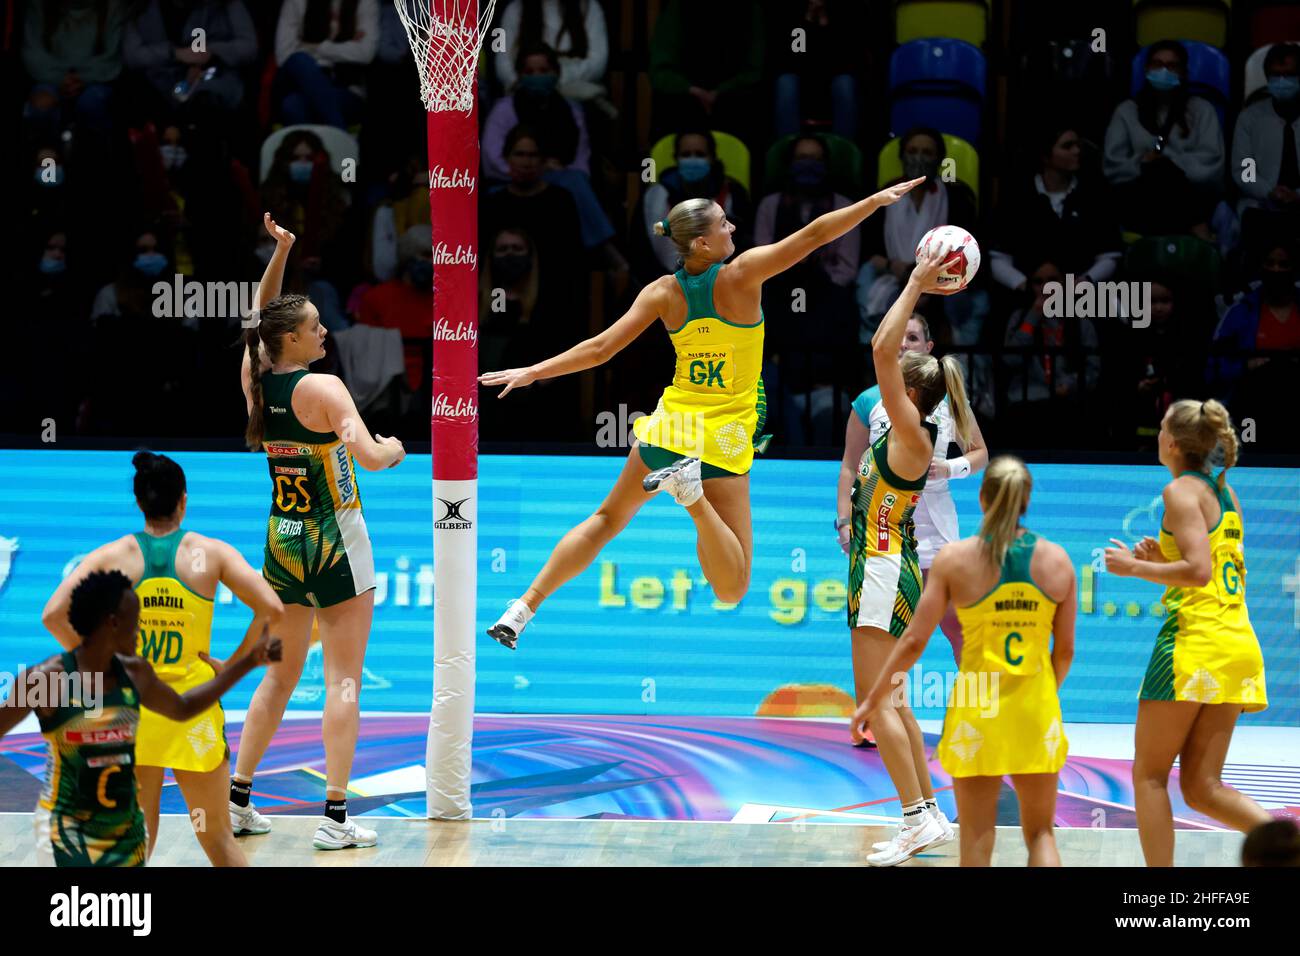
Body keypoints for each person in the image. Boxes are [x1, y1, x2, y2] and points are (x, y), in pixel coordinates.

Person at [479, 178, 928, 648]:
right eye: (723, 222)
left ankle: (524, 605)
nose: (732, 226)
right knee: (731, 588)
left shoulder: (661, 292)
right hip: (724, 436)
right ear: (702, 242)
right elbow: (813, 236)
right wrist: (873, 201)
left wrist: (535, 370)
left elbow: (599, 349)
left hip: (670, 428)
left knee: (606, 520)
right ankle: (692, 500)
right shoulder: (743, 273)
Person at [234, 213, 406, 850]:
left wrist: (281, 251)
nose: (324, 330)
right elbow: (367, 456)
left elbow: (258, 319)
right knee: (343, 682)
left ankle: (238, 800)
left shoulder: (257, 380)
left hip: (282, 542)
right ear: (294, 341)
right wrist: (394, 447)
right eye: (313, 327)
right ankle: (334, 820)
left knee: (278, 678)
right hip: (337, 542)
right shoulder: (327, 388)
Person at [39, 452, 285, 866]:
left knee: (138, 841)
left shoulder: (113, 556)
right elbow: (272, 610)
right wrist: (232, 663)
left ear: (140, 503)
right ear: (183, 501)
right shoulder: (209, 553)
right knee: (218, 838)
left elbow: (52, 615)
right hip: (192, 711)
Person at [855, 457, 1076, 866]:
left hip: (978, 708)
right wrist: (1042, 692)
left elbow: (914, 640)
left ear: (981, 497)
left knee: (976, 836)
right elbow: (1064, 652)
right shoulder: (1058, 561)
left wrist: (873, 698)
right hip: (1034, 707)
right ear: (1026, 500)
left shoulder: (955, 559)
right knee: (1042, 834)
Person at [841, 242, 974, 866]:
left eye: (895, 380)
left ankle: (915, 819)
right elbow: (886, 357)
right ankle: (929, 815)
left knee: (877, 705)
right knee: (894, 702)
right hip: (890, 566)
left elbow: (881, 350)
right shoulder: (896, 431)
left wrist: (917, 280)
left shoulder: (913, 434)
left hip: (881, 569)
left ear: (909, 396)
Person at [3, 570, 280, 867]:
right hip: (65, 830)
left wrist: (248, 663)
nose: (140, 634)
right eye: (135, 625)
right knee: (82, 913)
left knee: (125, 913)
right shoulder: (47, 680)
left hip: (127, 831)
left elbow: (184, 708)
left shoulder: (135, 674)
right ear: (112, 624)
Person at [1104, 399, 1271, 867]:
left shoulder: (1180, 491)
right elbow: (1214, 569)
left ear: (1173, 443)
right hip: (1236, 643)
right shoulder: (1224, 492)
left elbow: (1197, 572)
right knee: (1202, 788)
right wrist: (1163, 560)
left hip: (1193, 645)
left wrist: (1135, 567)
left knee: (1150, 776)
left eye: (1160, 427)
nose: (1157, 434)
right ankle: (1289, 848)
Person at [838, 312, 988, 679]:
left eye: (913, 338)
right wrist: (844, 522)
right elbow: (849, 466)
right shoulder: (869, 402)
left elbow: (980, 453)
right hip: (885, 529)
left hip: (934, 525)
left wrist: (950, 468)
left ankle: (977, 718)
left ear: (929, 348)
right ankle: (881, 721)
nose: (903, 344)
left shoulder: (947, 399)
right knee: (889, 635)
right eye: (898, 338)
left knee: (958, 628)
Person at [1103, 40, 1223, 237]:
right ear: (1146, 69)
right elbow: (1113, 169)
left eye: (1172, 65)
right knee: (1158, 174)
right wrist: (1142, 164)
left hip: (1192, 196)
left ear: (1183, 72)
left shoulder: (1202, 110)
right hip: (1139, 198)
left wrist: (1166, 163)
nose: (1164, 71)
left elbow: (1211, 169)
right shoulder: (1126, 111)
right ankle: (1201, 234)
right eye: (1157, 64)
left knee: (1162, 171)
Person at [989, 123, 1121, 294]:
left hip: (1082, 296)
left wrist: (1084, 282)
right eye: (1067, 147)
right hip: (1027, 296)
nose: (1077, 151)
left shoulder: (1094, 194)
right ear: (1045, 155)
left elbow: (1109, 255)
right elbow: (999, 258)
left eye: (1078, 145)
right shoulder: (1017, 196)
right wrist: (1026, 286)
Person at [643, 130, 753, 275]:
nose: (692, 160)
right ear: (676, 158)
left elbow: (744, 248)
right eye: (686, 155)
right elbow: (645, 252)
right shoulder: (657, 195)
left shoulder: (734, 193)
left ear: (712, 158)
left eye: (700, 154)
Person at [1231, 43, 1300, 239]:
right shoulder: (1249, 119)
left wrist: (1297, 195)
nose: (1282, 81)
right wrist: (1269, 192)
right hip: (1261, 207)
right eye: (1275, 75)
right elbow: (1245, 170)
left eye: (1289, 74)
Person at [274, 0, 379, 129]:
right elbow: (284, 55)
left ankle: (332, 139)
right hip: (300, 82)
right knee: (300, 60)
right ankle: (340, 139)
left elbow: (365, 53)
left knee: (293, 105)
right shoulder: (297, 2)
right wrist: (346, 48)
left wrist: (317, 48)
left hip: (346, 87)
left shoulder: (365, 3)